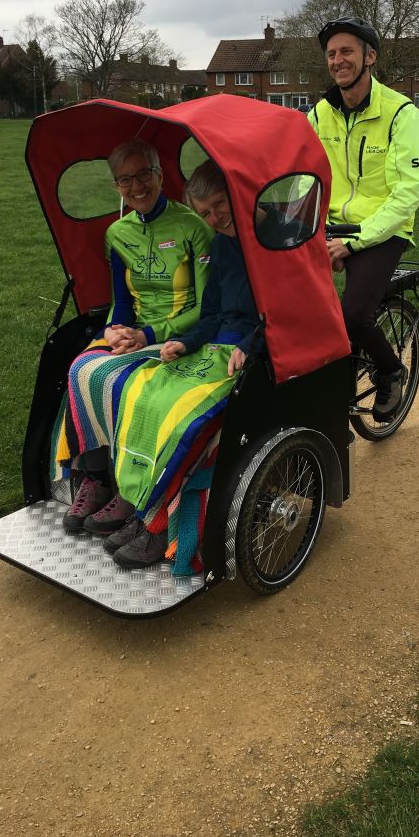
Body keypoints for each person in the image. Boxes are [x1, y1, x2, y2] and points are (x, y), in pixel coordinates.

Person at [103, 160, 266, 569]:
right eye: (205, 213)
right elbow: (211, 314)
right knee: (148, 397)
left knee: (182, 419)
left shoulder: (275, 239)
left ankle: (161, 525)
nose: (215, 218)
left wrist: (250, 344)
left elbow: (287, 307)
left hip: (257, 351)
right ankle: (144, 507)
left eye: (220, 205)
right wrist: (185, 341)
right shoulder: (224, 245)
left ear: (238, 193)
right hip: (217, 345)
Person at [53, 138, 213, 533]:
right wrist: (114, 330)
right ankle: (96, 479)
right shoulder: (116, 233)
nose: (136, 186)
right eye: (125, 179)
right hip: (138, 334)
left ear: (160, 176)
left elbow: (207, 308)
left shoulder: (193, 227)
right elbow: (121, 301)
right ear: (116, 186)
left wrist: (148, 334)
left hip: (182, 335)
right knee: (81, 371)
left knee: (134, 388)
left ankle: (131, 490)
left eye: (144, 174)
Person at [308, 16, 419, 422]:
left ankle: (391, 370)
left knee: (354, 316)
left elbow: (406, 195)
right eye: (331, 54)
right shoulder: (320, 114)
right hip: (329, 225)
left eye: (347, 51)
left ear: (370, 57)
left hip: (384, 229)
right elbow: (298, 171)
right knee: (292, 306)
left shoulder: (401, 113)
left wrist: (353, 243)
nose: (337, 60)